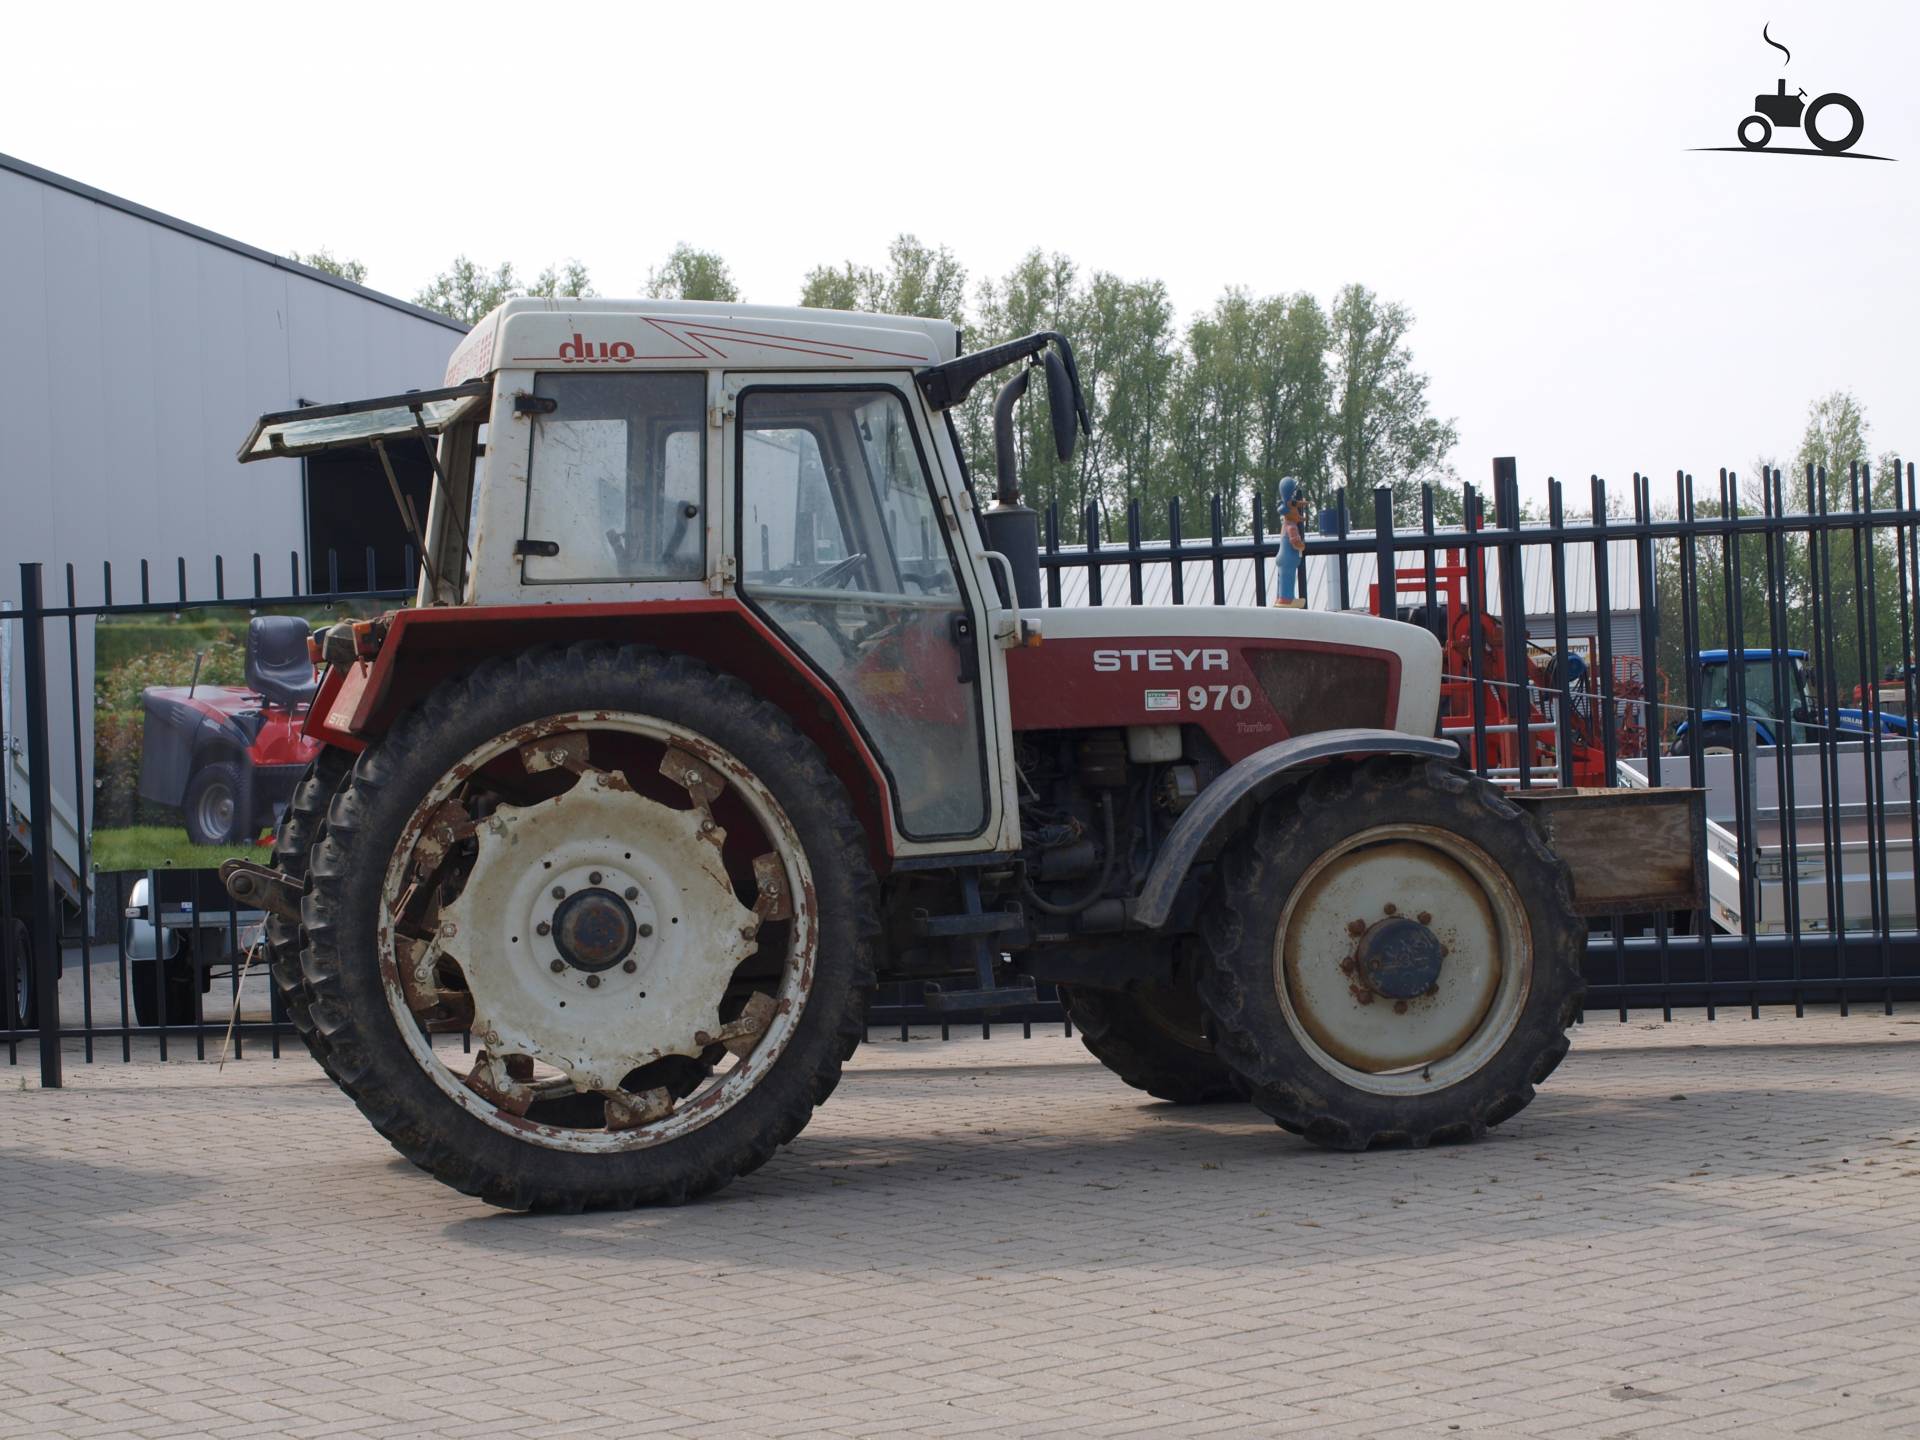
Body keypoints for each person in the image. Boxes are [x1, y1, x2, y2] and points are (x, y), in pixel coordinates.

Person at [1272, 476, 1308, 607]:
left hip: (1283, 556)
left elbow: (1294, 504)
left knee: (1282, 578)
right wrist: (1301, 546)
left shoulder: (1286, 524)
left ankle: (1280, 597)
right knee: (1288, 578)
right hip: (1288, 557)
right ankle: (1286, 599)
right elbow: (1295, 540)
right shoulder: (1291, 526)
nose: (1297, 512)